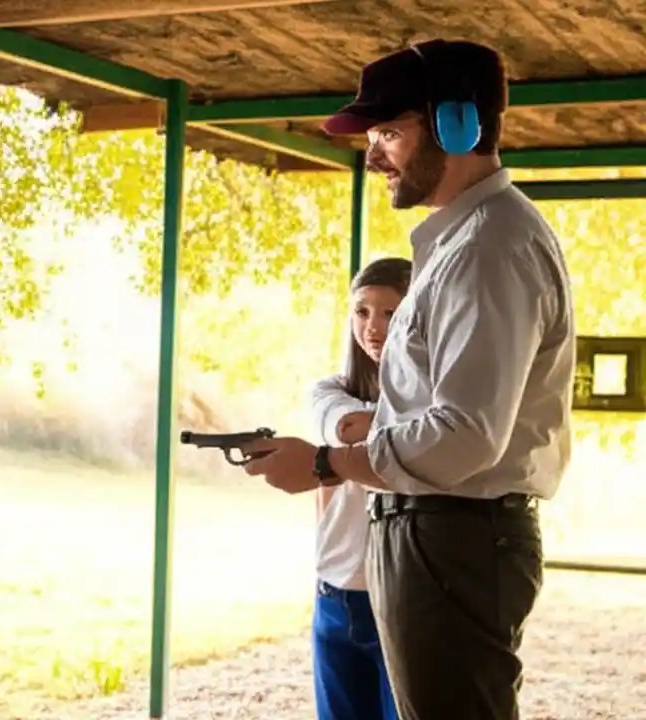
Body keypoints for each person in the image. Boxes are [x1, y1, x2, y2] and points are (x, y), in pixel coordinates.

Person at [240, 39, 575, 720]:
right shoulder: (463, 241)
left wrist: (326, 463)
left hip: (454, 537)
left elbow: (464, 436)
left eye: (389, 132)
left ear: (459, 126)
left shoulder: (488, 248)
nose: (373, 155)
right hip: (441, 534)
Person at [308, 257, 410, 720]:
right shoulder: (329, 391)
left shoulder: (438, 400)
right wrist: (416, 427)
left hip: (401, 595)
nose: (373, 327)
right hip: (335, 592)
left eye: (390, 313)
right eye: (362, 311)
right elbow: (347, 429)